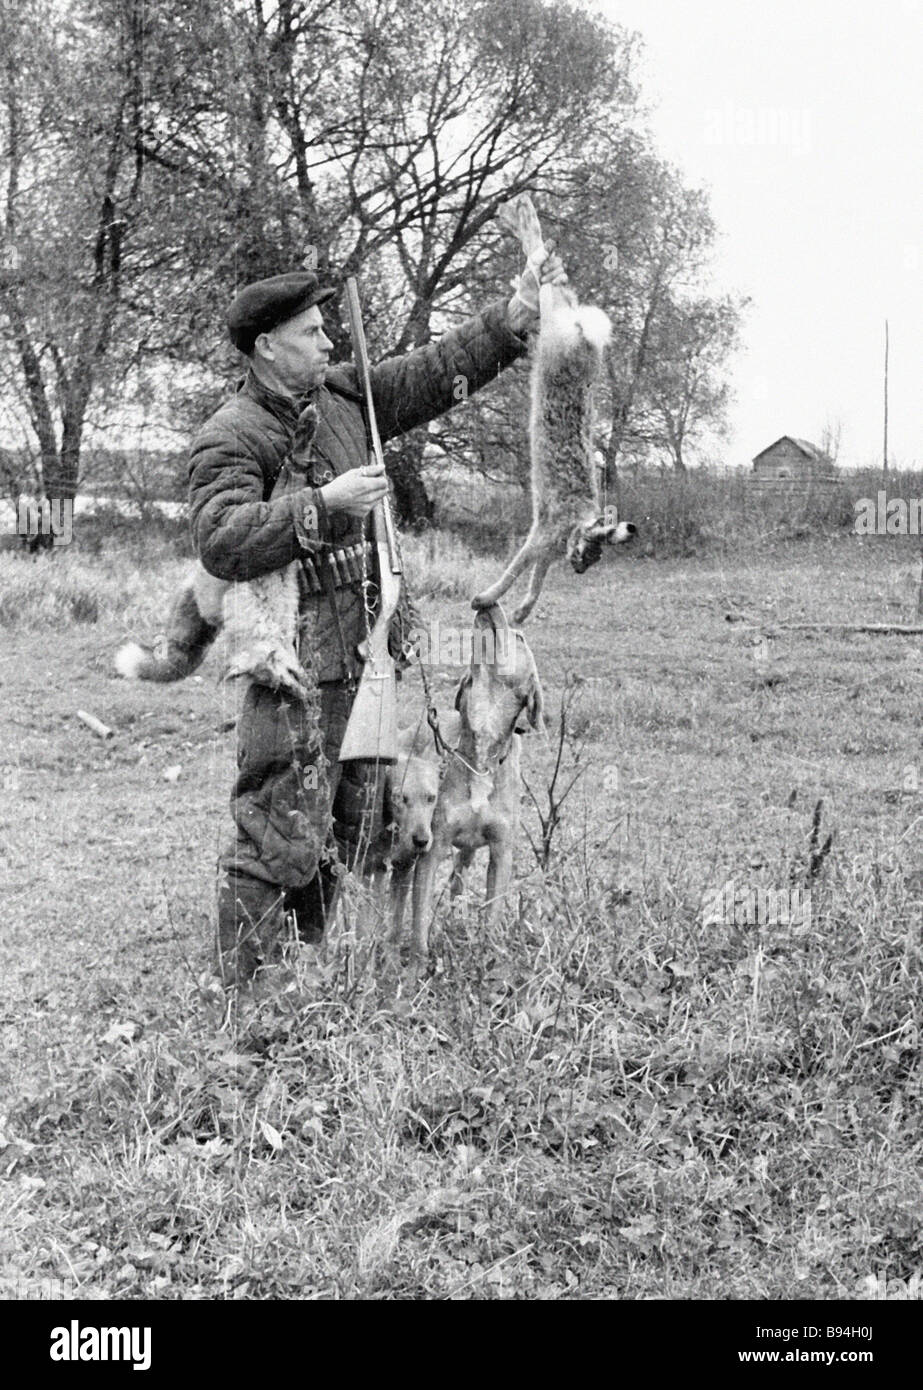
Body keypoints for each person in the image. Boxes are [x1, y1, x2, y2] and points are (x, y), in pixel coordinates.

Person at [189, 249, 567, 985]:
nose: (330, 343)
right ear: (267, 345)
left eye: (329, 329)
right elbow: (222, 538)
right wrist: (321, 508)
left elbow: (431, 373)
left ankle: (306, 963)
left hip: (370, 653)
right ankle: (239, 989)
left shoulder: (343, 399)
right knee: (279, 821)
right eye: (311, 332)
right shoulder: (231, 435)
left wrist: (510, 319)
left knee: (350, 817)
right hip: (293, 662)